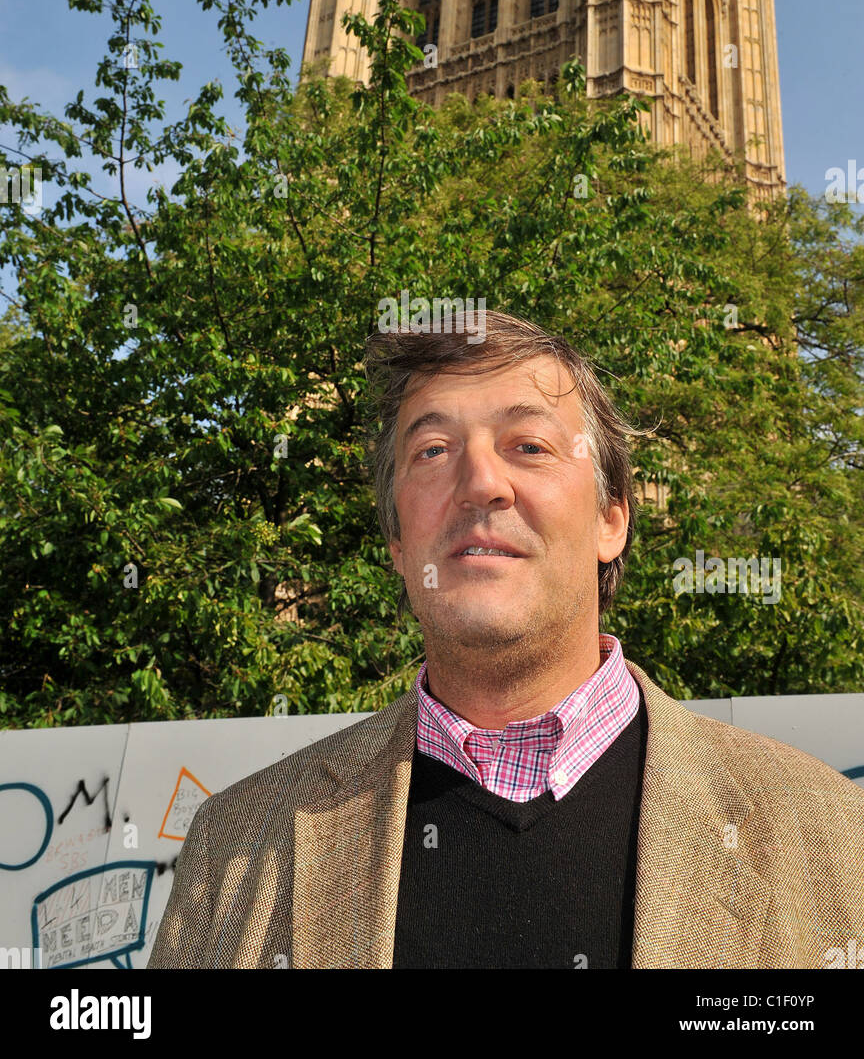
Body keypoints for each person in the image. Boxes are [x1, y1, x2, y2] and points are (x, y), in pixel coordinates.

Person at [148, 310, 864, 969]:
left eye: (528, 445)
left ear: (612, 519)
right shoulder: (235, 850)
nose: (480, 481)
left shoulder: (830, 834)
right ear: (398, 540)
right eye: (432, 450)